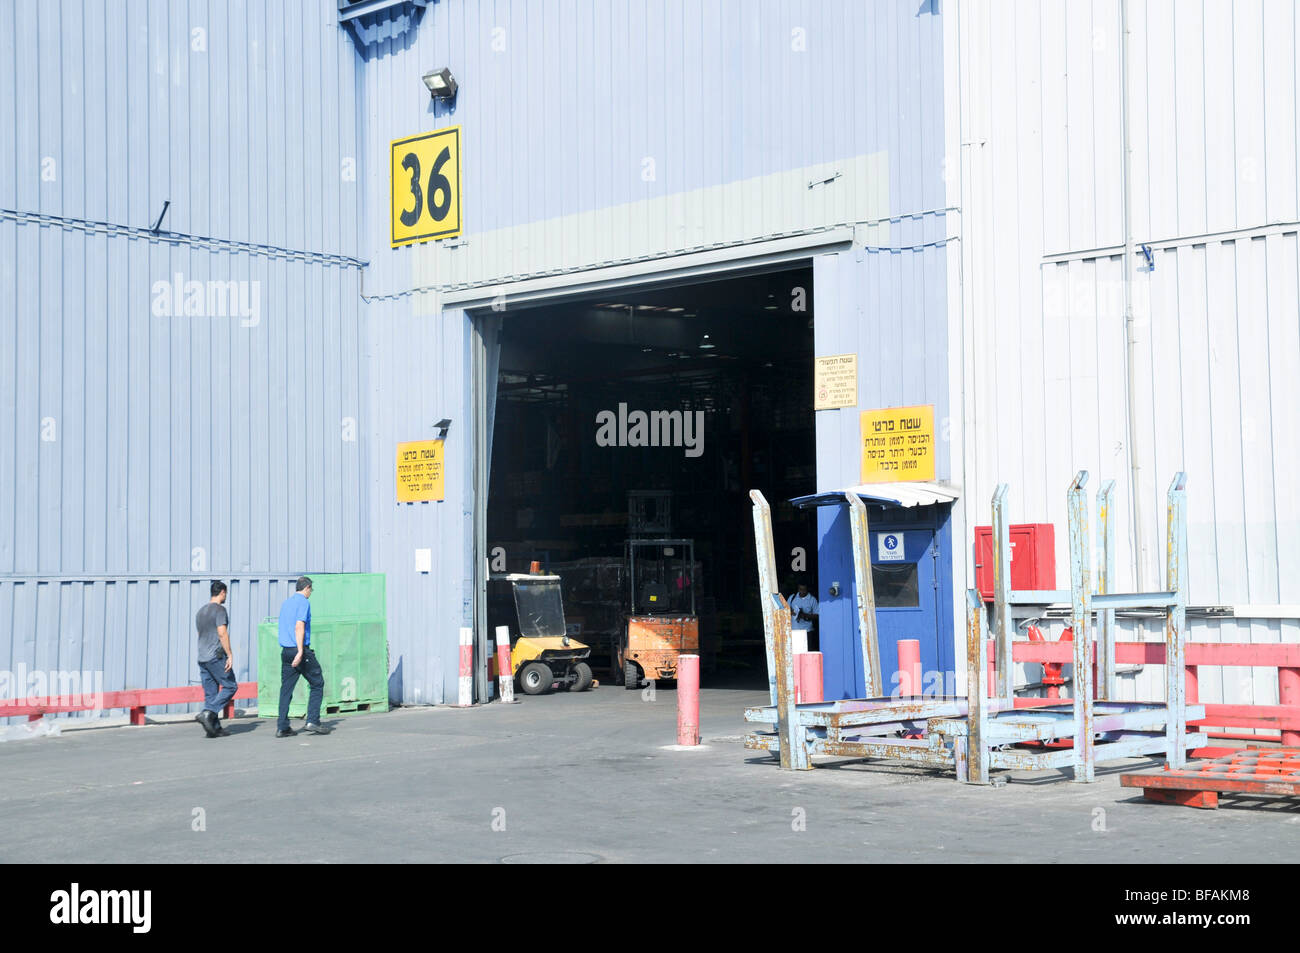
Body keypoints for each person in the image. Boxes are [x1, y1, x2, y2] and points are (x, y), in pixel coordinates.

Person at [276, 576, 330, 737]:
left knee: (286, 689)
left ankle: (282, 727)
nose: (310, 593)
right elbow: (299, 626)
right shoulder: (304, 602)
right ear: (306, 588)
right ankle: (312, 720)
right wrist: (300, 651)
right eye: (311, 590)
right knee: (317, 682)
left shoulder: (286, 603)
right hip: (299, 650)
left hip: (285, 651)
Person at [195, 581, 237, 738]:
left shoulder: (200, 611)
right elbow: (222, 633)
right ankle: (209, 712)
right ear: (223, 592)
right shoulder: (220, 610)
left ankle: (213, 729)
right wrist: (230, 654)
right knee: (230, 686)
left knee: (211, 694)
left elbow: (200, 635)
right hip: (216, 657)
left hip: (202, 657)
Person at [787, 579, 819, 653]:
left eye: (804, 590)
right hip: (794, 631)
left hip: (807, 631)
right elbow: (785, 610)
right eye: (800, 589)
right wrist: (791, 612)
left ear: (807, 589)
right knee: (795, 653)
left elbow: (817, 615)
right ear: (798, 589)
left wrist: (805, 615)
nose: (802, 591)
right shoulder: (792, 597)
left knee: (807, 653)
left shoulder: (812, 599)